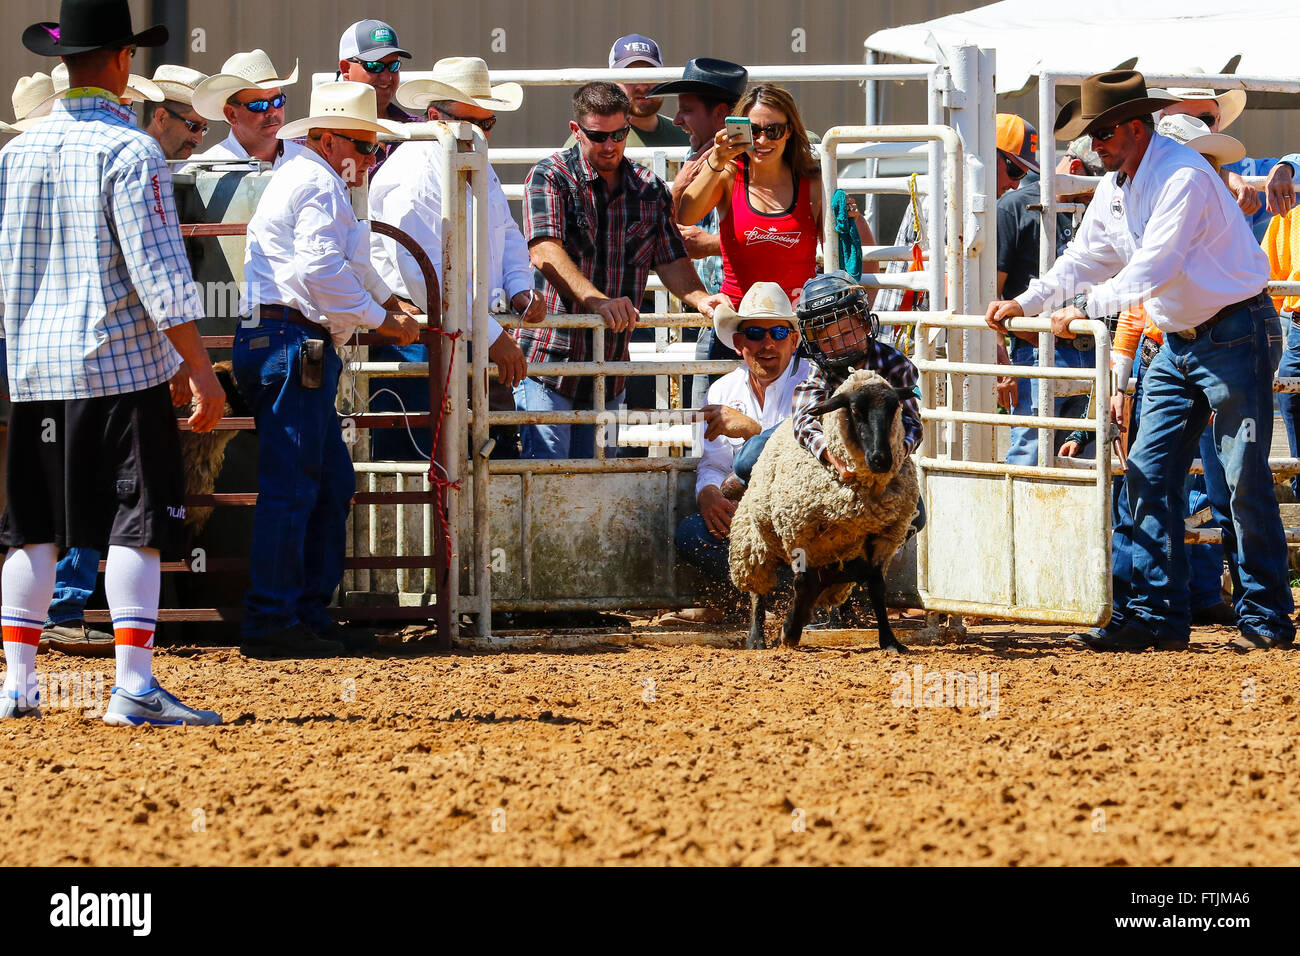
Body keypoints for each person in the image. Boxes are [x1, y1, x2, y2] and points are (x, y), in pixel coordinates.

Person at [987, 70, 1293, 653]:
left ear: (1131, 128)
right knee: (1150, 471)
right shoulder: (1123, 183)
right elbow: (1085, 257)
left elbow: (1154, 267)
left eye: (1101, 134)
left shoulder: (1181, 175)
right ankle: (1156, 614)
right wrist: (1029, 301)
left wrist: (1078, 306)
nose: (1093, 146)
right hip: (1188, 337)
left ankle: (1265, 617)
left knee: (1241, 479)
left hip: (1232, 331)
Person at [1, 0, 226, 723]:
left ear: (63, 60)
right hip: (119, 369)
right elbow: (159, 270)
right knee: (139, 525)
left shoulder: (16, 153)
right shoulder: (132, 153)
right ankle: (132, 685)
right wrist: (196, 365)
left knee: (32, 527)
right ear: (125, 61)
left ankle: (19, 684)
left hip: (35, 373)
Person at [235, 82, 421, 658]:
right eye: (365, 147)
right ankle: (275, 618)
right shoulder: (318, 182)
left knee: (321, 483)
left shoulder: (321, 181)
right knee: (298, 486)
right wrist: (383, 319)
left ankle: (300, 611)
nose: (370, 159)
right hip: (293, 342)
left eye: (372, 149)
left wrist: (387, 303)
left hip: (290, 341)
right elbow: (322, 270)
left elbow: (345, 265)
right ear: (329, 138)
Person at [515, 81, 727, 460]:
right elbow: (544, 249)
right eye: (598, 136)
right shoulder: (551, 176)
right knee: (547, 478)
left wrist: (702, 299)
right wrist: (598, 301)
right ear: (575, 130)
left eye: (619, 134)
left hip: (609, 370)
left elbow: (671, 259)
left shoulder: (647, 188)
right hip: (550, 362)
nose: (610, 145)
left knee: (599, 483)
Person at [369, 56, 543, 460]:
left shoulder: (470, 160)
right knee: (421, 459)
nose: (482, 135)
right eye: (473, 124)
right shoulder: (414, 172)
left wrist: (519, 285)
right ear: (436, 117)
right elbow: (423, 274)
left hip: (464, 330)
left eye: (488, 124)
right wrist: (494, 337)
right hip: (423, 337)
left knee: (480, 455)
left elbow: (506, 231)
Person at [669, 282, 809, 624]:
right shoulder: (723, 389)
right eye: (755, 333)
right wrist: (709, 494)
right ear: (738, 343)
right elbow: (713, 462)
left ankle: (776, 602)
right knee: (692, 534)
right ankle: (783, 602)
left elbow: (811, 461)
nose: (767, 343)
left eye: (778, 331)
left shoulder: (813, 383)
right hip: (754, 519)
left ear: (793, 340)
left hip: (803, 521)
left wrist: (751, 430)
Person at [994, 115, 1097, 464]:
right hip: (1039, 346)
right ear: (1078, 168)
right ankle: (1021, 518)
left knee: (1081, 452)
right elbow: (990, 292)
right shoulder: (1014, 207)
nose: (1093, 193)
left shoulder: (1087, 208)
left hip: (1083, 343)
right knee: (1034, 448)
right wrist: (1004, 362)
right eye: (1012, 169)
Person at [649, 57, 749, 409]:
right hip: (713, 308)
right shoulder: (699, 159)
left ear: (721, 115)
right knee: (713, 414)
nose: (676, 120)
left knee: (719, 412)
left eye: (687, 110)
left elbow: (778, 235)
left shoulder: (756, 162)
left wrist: (708, 244)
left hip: (748, 310)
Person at [678, 83, 822, 311]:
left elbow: (844, 250)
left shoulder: (813, 183)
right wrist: (716, 160)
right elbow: (687, 215)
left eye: (773, 130)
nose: (762, 141)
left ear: (789, 131)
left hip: (795, 327)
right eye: (752, 132)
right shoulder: (727, 174)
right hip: (737, 323)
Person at [1151, 77, 1300, 234]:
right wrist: (1221, 175)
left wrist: (1285, 168)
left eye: (1205, 119)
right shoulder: (1144, 168)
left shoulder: (1242, 170)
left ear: (1218, 121)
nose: (1197, 127)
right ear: (1163, 120)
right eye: (1184, 119)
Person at [563, 34, 689, 150]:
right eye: (631, 76)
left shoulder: (686, 135)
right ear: (612, 83)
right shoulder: (593, 138)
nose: (641, 86)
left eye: (650, 74)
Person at [189, 49, 302, 167]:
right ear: (231, 114)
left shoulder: (307, 162)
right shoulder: (206, 170)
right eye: (258, 105)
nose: (272, 112)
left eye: (278, 101)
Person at [336, 18, 417, 172]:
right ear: (346, 69)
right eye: (374, 66)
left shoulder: (421, 131)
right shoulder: (317, 138)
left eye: (394, 66)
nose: (387, 77)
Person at [140, 65, 209, 162]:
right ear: (161, 118)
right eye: (193, 126)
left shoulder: (190, 169)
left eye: (203, 130)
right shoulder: (136, 163)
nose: (199, 140)